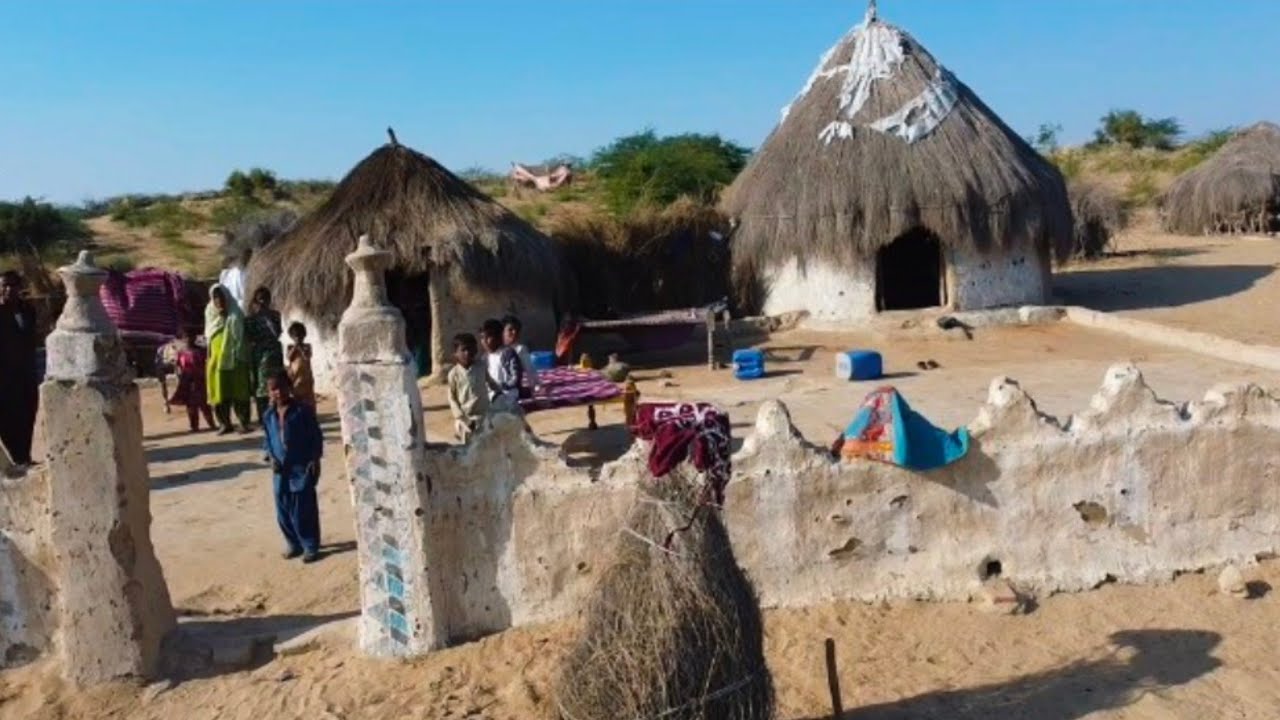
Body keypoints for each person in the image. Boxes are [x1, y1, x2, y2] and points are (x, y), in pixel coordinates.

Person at [262, 370, 324, 563]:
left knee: (303, 508)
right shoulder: (268, 415)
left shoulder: (302, 411)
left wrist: (315, 459)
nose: (278, 392)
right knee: (283, 510)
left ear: (289, 387)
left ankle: (310, 545)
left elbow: (316, 436)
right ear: (268, 392)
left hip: (301, 467)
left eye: (281, 387)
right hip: (280, 470)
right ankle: (293, 543)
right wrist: (270, 457)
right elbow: (267, 440)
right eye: (273, 389)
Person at [0, 271, 38, 465]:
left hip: (26, 375)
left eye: (13, 285)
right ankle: (18, 459)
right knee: (9, 420)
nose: (8, 289)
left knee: (28, 416)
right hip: (4, 380)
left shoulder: (28, 310)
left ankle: (25, 457)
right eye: (4, 285)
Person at [205, 284, 253, 434]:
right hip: (217, 360)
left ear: (227, 296)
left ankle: (244, 423)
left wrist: (226, 317)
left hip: (236, 358)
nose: (219, 300)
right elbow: (208, 336)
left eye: (221, 297)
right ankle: (224, 424)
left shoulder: (236, 313)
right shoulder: (210, 313)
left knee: (240, 391)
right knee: (219, 392)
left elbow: (242, 336)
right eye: (215, 297)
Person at [247, 287, 285, 423]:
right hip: (260, 355)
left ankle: (277, 414)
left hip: (274, 353)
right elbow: (250, 337)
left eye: (265, 298)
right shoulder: (251, 318)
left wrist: (268, 320)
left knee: (277, 384)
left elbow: (278, 332)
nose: (263, 301)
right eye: (260, 299)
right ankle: (263, 417)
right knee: (261, 387)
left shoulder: (275, 315)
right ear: (255, 300)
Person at [168, 326, 216, 432]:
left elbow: (207, 363)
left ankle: (211, 424)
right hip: (187, 381)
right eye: (185, 337)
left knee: (204, 403)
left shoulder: (201, 351)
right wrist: (179, 377)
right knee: (191, 405)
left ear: (194, 338)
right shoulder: (181, 352)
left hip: (200, 380)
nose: (188, 339)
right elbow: (178, 367)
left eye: (190, 337)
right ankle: (194, 426)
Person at [447, 333, 490, 442]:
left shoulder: (481, 366)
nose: (468, 353)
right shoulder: (454, 374)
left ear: (476, 350)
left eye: (471, 349)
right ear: (455, 353)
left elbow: (491, 382)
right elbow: (452, 397)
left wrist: (500, 394)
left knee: (486, 445)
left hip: (483, 415)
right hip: (466, 419)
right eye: (463, 350)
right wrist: (460, 417)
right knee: (469, 447)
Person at [480, 318, 523, 412]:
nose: (484, 341)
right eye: (482, 338)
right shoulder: (485, 358)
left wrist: (503, 386)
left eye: (488, 337)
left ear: (499, 337)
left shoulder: (507, 353)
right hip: (492, 394)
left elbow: (516, 377)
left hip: (508, 394)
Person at [502, 314, 539, 393]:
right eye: (510, 329)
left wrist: (535, 385)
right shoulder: (496, 351)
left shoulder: (521, 349)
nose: (514, 332)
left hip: (513, 390)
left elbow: (530, 371)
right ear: (502, 332)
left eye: (517, 330)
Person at [286, 321, 316, 407]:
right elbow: (289, 357)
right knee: (296, 398)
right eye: (296, 336)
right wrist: (295, 346)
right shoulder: (290, 347)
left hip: (306, 378)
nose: (298, 338)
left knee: (309, 399)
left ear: (304, 335)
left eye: (300, 336)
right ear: (292, 337)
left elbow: (307, 356)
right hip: (295, 377)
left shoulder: (307, 346)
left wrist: (301, 348)